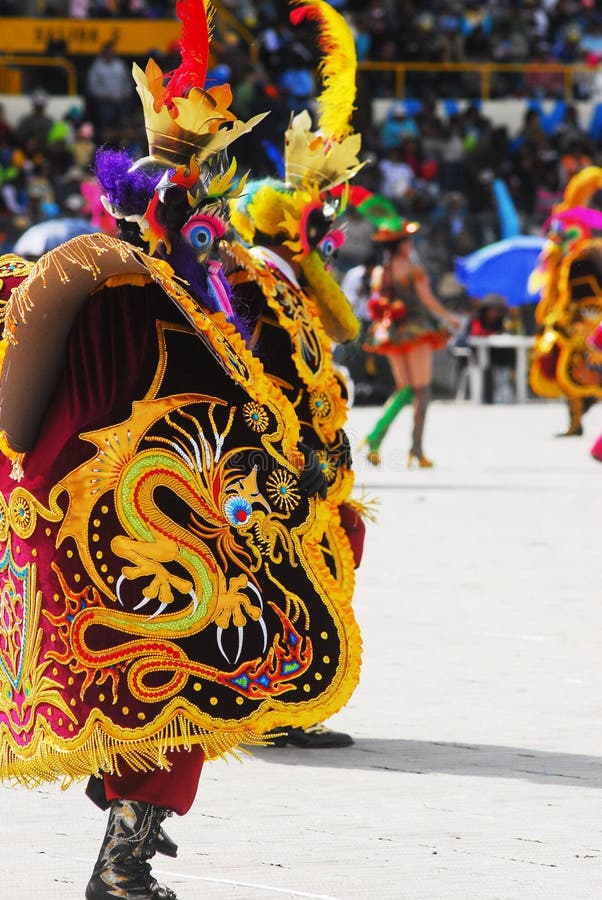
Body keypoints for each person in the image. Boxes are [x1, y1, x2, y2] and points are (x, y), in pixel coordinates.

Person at [0, 2, 362, 897]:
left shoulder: (211, 292)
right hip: (139, 540)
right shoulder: (107, 285)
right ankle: (123, 864)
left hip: (171, 533)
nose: (193, 216)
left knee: (173, 697)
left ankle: (125, 835)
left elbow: (254, 405)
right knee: (186, 691)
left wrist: (295, 467)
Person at [227, 0, 367, 750]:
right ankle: (276, 709)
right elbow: (260, 377)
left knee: (317, 564)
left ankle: (282, 704)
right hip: (274, 468)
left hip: (300, 466)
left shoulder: (277, 282)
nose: (330, 244)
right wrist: (294, 452)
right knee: (283, 580)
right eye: (320, 229)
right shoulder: (260, 285)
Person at [360, 219, 460, 467]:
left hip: (390, 332)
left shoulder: (380, 272)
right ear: (402, 245)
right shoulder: (413, 270)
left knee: (404, 389)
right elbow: (427, 300)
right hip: (416, 332)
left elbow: (376, 303)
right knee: (422, 392)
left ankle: (375, 438)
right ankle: (416, 449)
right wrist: (449, 319)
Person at [529, 166, 602, 436]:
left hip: (587, 326)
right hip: (568, 324)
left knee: (582, 373)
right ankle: (575, 421)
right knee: (565, 371)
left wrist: (583, 321)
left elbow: (593, 297)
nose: (557, 237)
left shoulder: (587, 257)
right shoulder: (563, 260)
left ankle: (578, 419)